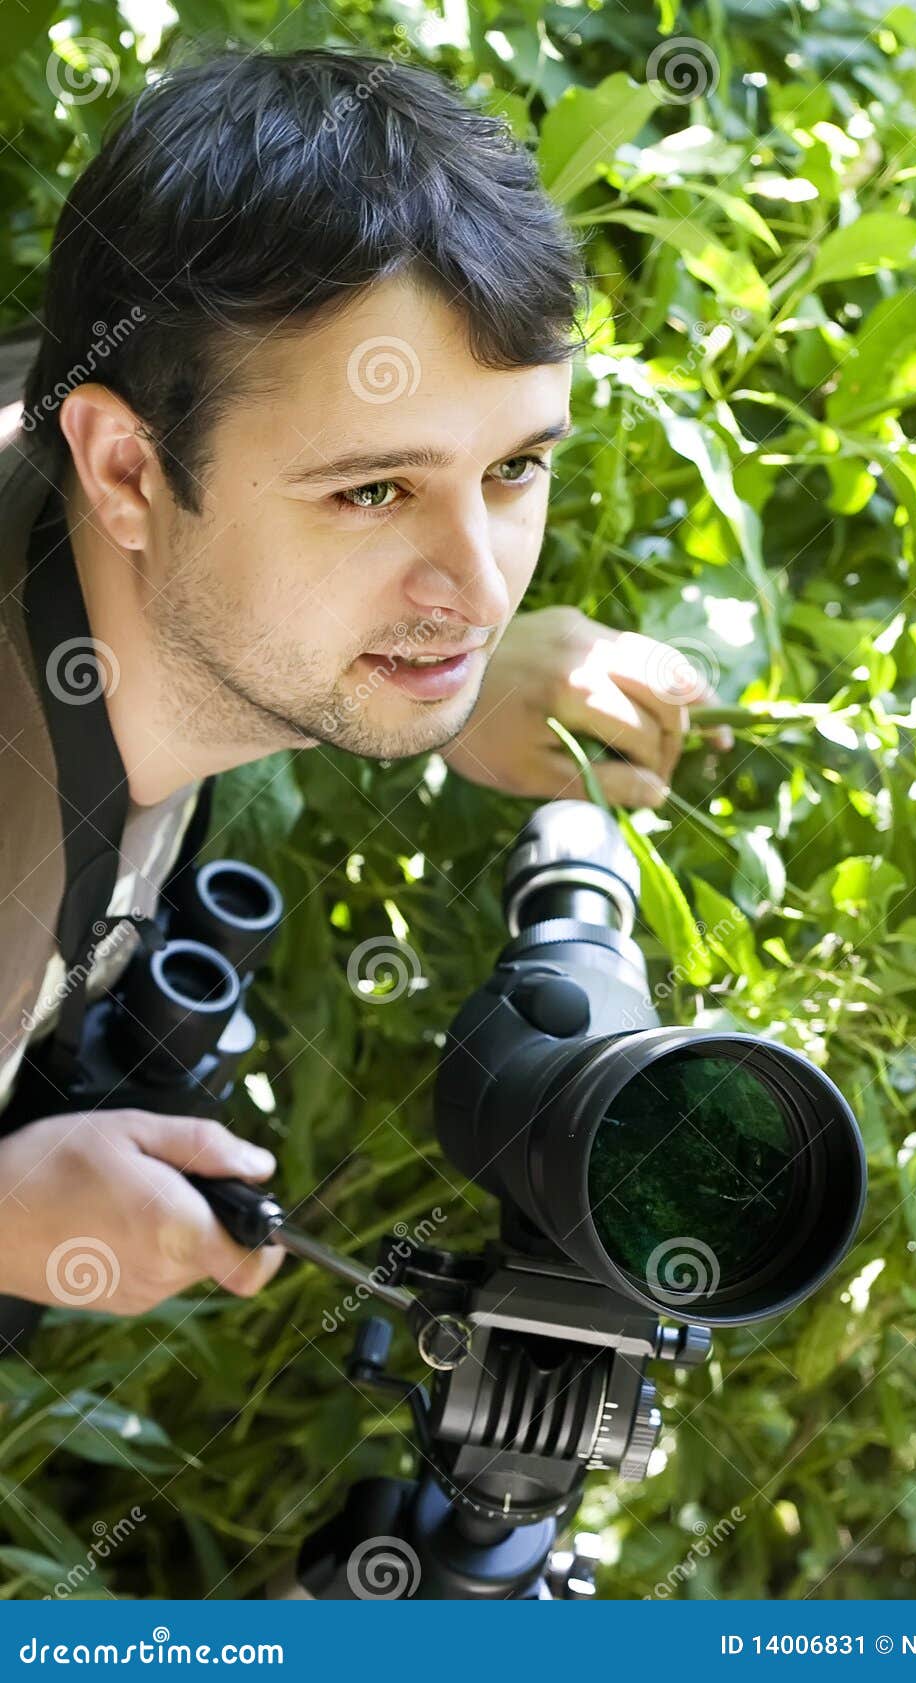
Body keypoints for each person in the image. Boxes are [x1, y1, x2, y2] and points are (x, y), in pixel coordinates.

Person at [0, 47, 726, 1326]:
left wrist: (451, 674)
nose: (481, 585)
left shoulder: (59, 423)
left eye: (511, 471)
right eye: (374, 492)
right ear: (124, 470)